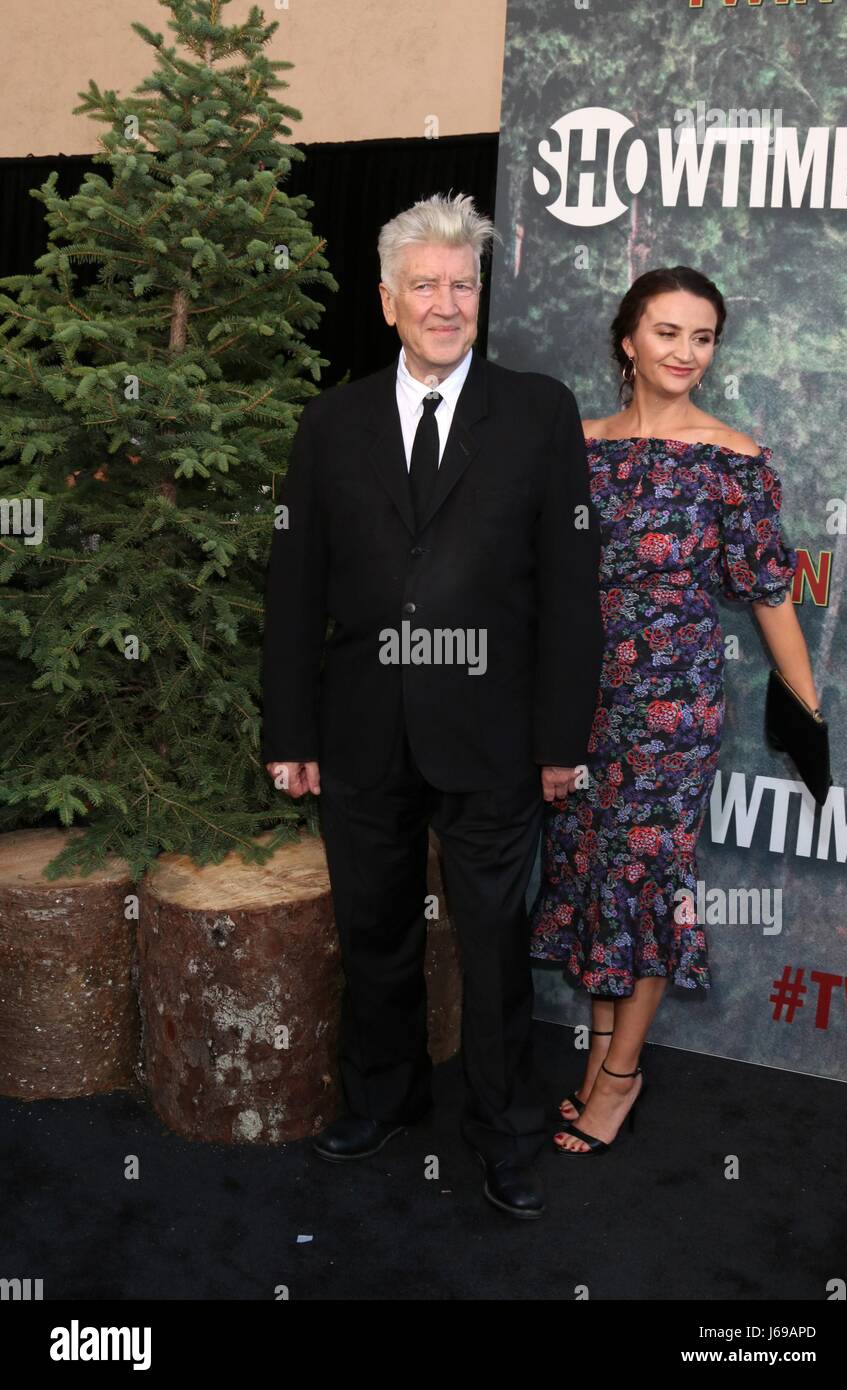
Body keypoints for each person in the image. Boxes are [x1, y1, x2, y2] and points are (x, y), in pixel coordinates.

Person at [260, 192, 603, 1217]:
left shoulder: (538, 412)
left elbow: (569, 589)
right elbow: (295, 588)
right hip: (360, 726)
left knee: (495, 945)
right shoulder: (331, 423)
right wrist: (290, 731)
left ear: (478, 298)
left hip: (494, 736)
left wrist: (559, 739)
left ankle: (502, 1132)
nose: (446, 303)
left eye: (462, 284)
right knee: (374, 929)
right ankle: (385, 1097)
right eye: (425, 285)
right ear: (386, 300)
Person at [529, 266, 819, 1155]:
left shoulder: (734, 459)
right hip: (580, 701)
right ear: (628, 340)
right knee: (592, 875)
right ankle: (602, 1057)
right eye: (667, 333)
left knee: (645, 882)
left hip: (672, 712)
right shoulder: (574, 445)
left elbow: (770, 595)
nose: (685, 352)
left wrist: (807, 708)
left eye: (702, 337)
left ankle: (618, 1074)